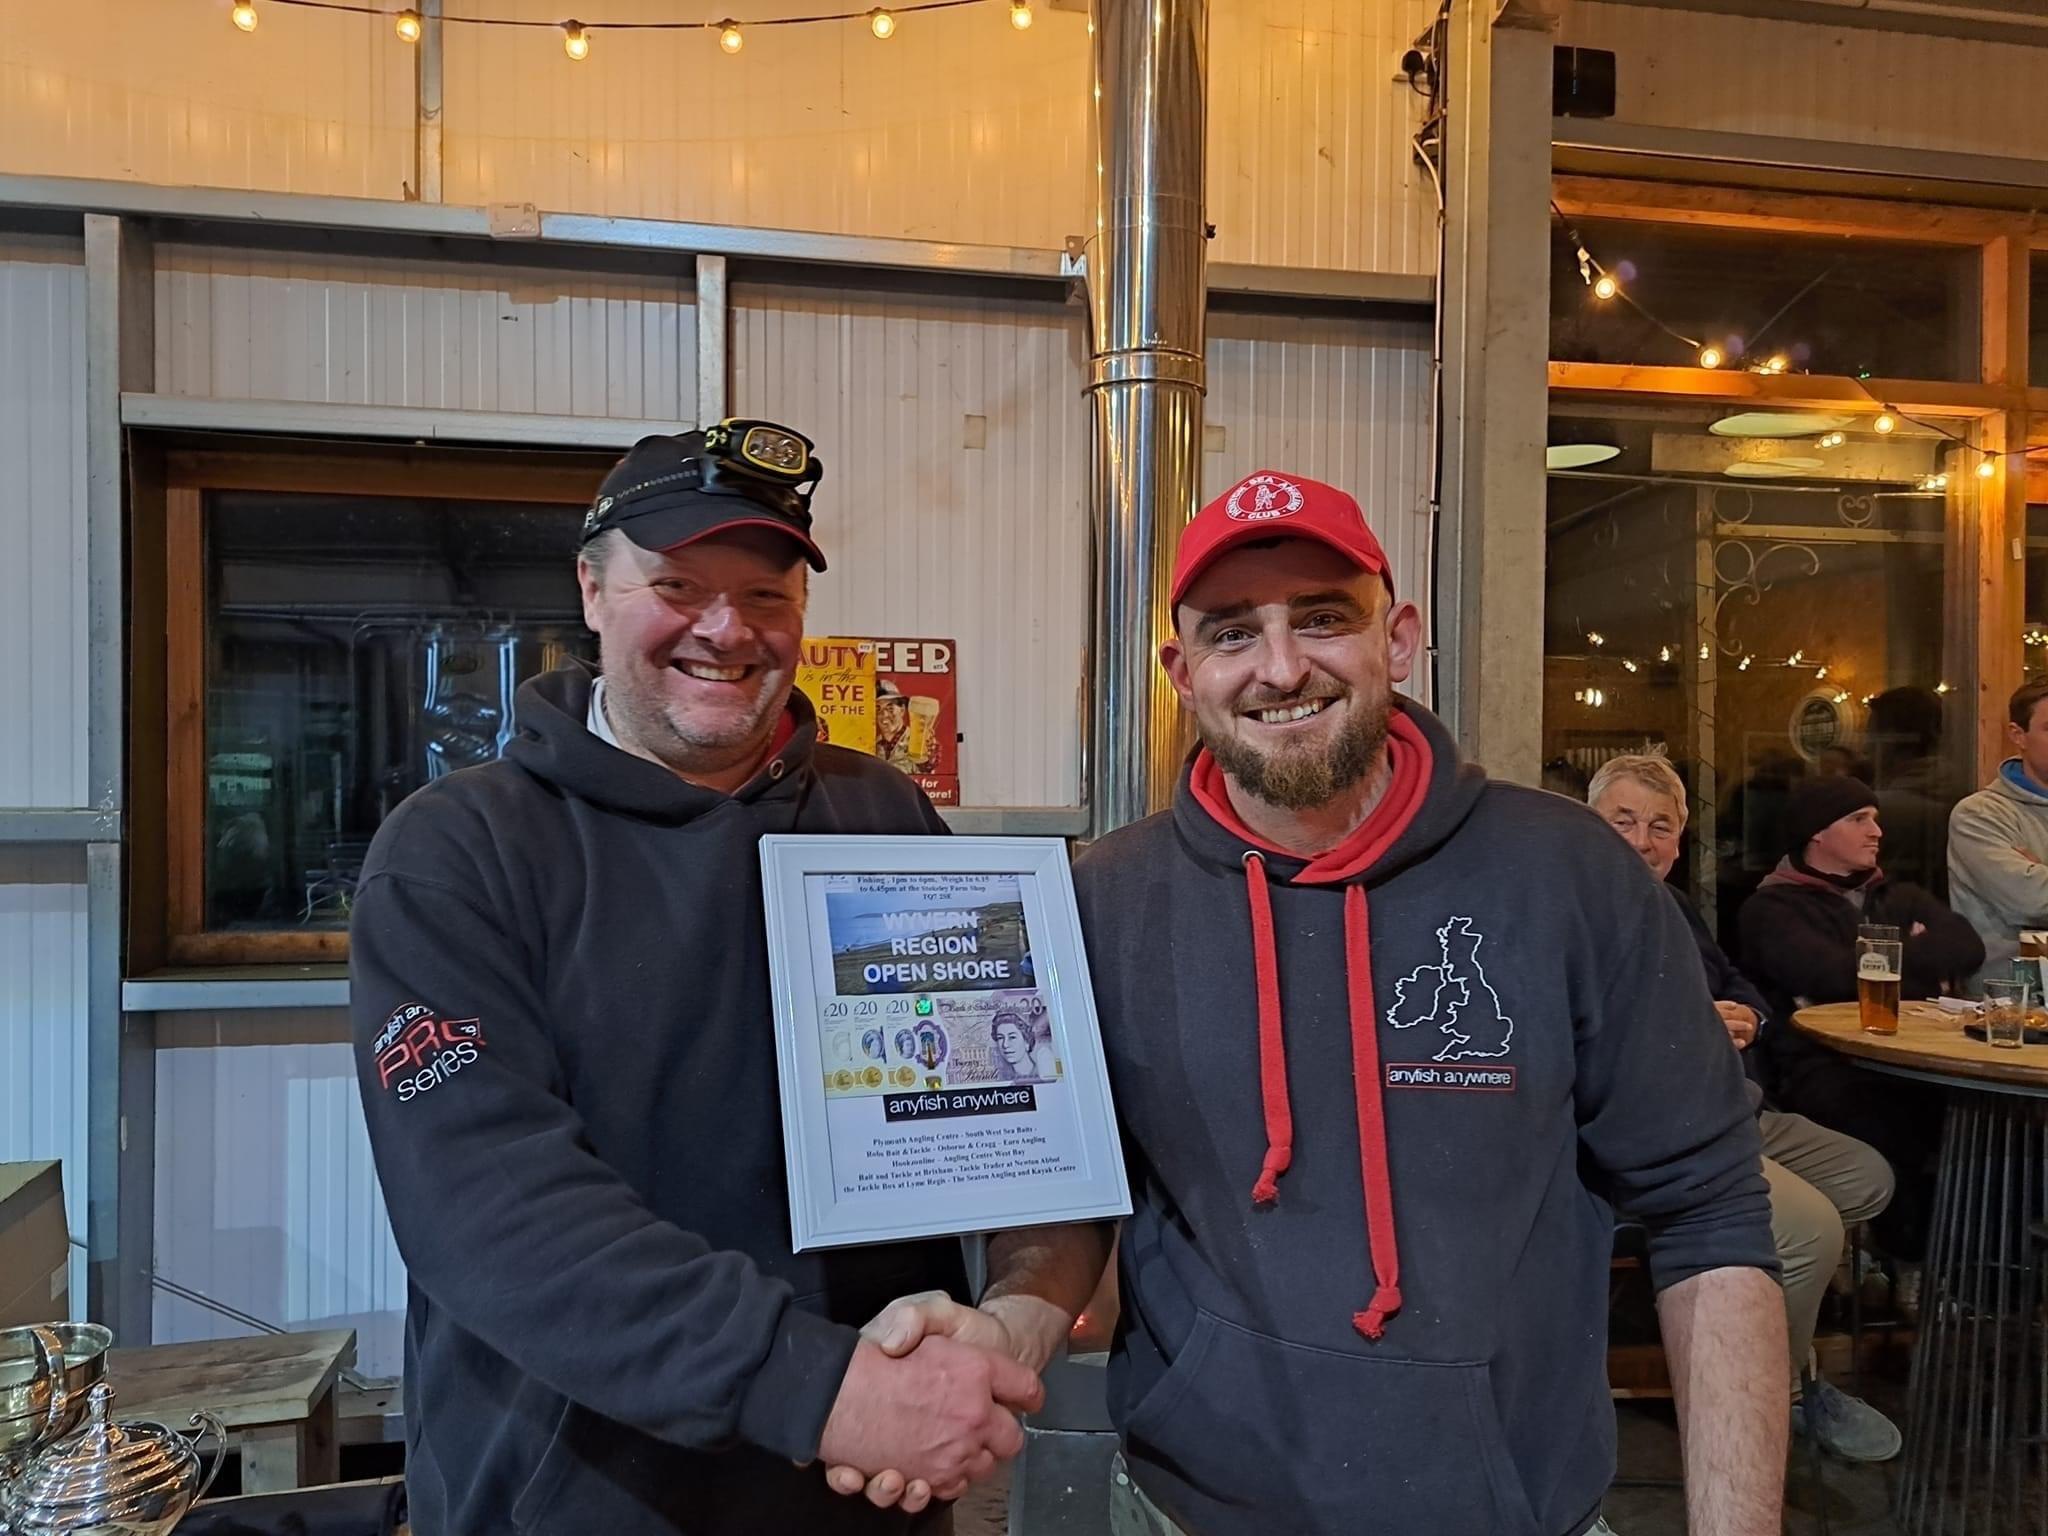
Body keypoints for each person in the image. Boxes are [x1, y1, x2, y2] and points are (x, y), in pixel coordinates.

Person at [840, 469, 1787, 1535]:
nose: (1282, 666)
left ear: (1399, 638)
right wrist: (1012, 1326)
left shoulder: (1567, 873)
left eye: (1324, 618)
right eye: (1232, 632)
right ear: (1182, 673)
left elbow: (1709, 1215)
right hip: (1185, 1512)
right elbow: (1072, 1194)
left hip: (1511, 1511)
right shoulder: (1104, 897)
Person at [349, 423, 1040, 1536]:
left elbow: (996, 1105)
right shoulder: (459, 851)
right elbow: (491, 1209)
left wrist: (1010, 1317)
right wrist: (814, 1389)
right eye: (676, 586)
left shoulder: (882, 815)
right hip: (575, 1502)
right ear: (592, 590)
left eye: (765, 595)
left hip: (867, 1490)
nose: (725, 629)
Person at [1588, 754, 1900, 1462]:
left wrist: (1749, 1020)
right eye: (1623, 821)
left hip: (1732, 1107)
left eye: (1660, 827)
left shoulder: (1671, 905)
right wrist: (1695, 1025)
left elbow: (1739, 985)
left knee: (1867, 1179)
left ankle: (1725, 1314)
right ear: (1589, 826)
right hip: (1659, 1136)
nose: (1642, 841)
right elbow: (1592, 1036)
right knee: (1810, 1231)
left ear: (1678, 842)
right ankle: (1779, 1395)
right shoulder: (1574, 911)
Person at [1739, 776, 1983, 1273]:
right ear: (1816, 833)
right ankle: (1903, 1265)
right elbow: (1826, 975)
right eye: (1858, 819)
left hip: (1913, 1055)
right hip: (1817, 1064)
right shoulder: (1772, 908)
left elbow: (1966, 947)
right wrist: (1918, 957)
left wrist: (1874, 962)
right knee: (1887, 1122)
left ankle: (1969, 1270)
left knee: (1979, 1121)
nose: (1877, 831)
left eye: (1874, 818)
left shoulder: (1898, 893)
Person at [1947, 678, 2048, 992]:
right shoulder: (1979, 815)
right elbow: (2031, 901)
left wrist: (2041, 871)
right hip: (2009, 1007)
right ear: (2018, 735)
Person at [989, 1010, 1056, 1083]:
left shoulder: (1047, 1074)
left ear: (1027, 1041)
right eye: (1000, 1038)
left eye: (1012, 1037)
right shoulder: (1002, 1078)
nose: (1005, 1045)